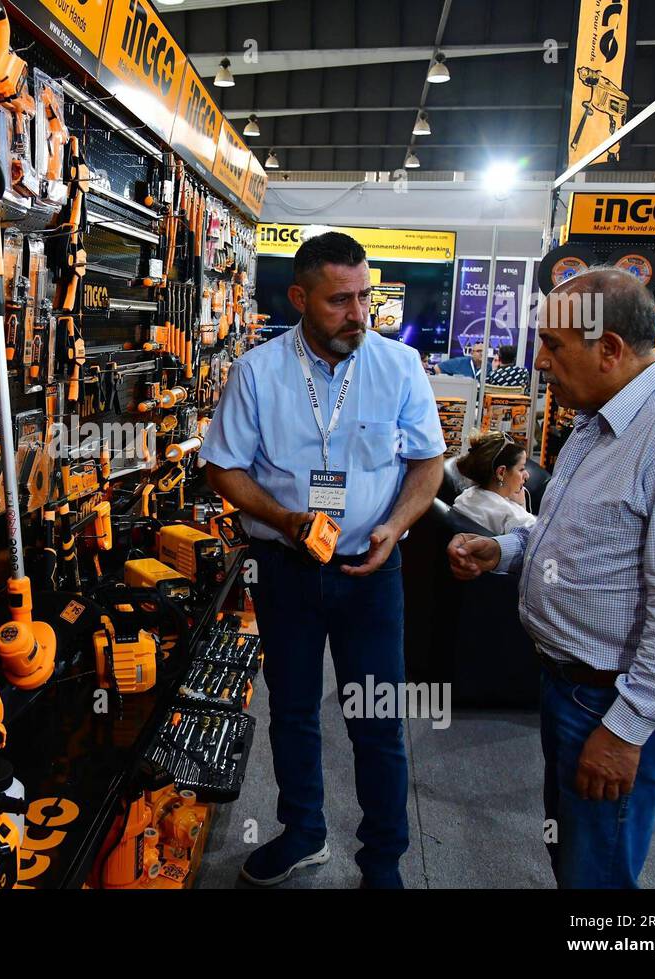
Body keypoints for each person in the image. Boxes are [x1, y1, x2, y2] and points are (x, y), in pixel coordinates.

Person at [448, 267, 655, 889]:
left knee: (599, 876)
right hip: (573, 689)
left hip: (618, 705)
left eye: (554, 345)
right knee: (576, 857)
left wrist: (625, 730)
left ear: (609, 349)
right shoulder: (597, 423)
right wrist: (501, 551)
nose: (540, 361)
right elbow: (565, 533)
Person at [201, 231, 445, 889]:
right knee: (293, 709)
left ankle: (383, 860)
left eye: (366, 295)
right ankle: (303, 831)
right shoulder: (257, 371)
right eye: (341, 300)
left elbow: (428, 461)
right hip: (285, 569)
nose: (359, 313)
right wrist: (284, 518)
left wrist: (395, 524)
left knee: (377, 719)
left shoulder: (399, 367)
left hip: (373, 568)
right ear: (300, 298)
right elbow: (222, 466)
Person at [450, 431, 537, 534]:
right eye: (521, 469)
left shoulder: (464, 497)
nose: (527, 475)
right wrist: (521, 506)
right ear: (501, 472)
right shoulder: (513, 516)